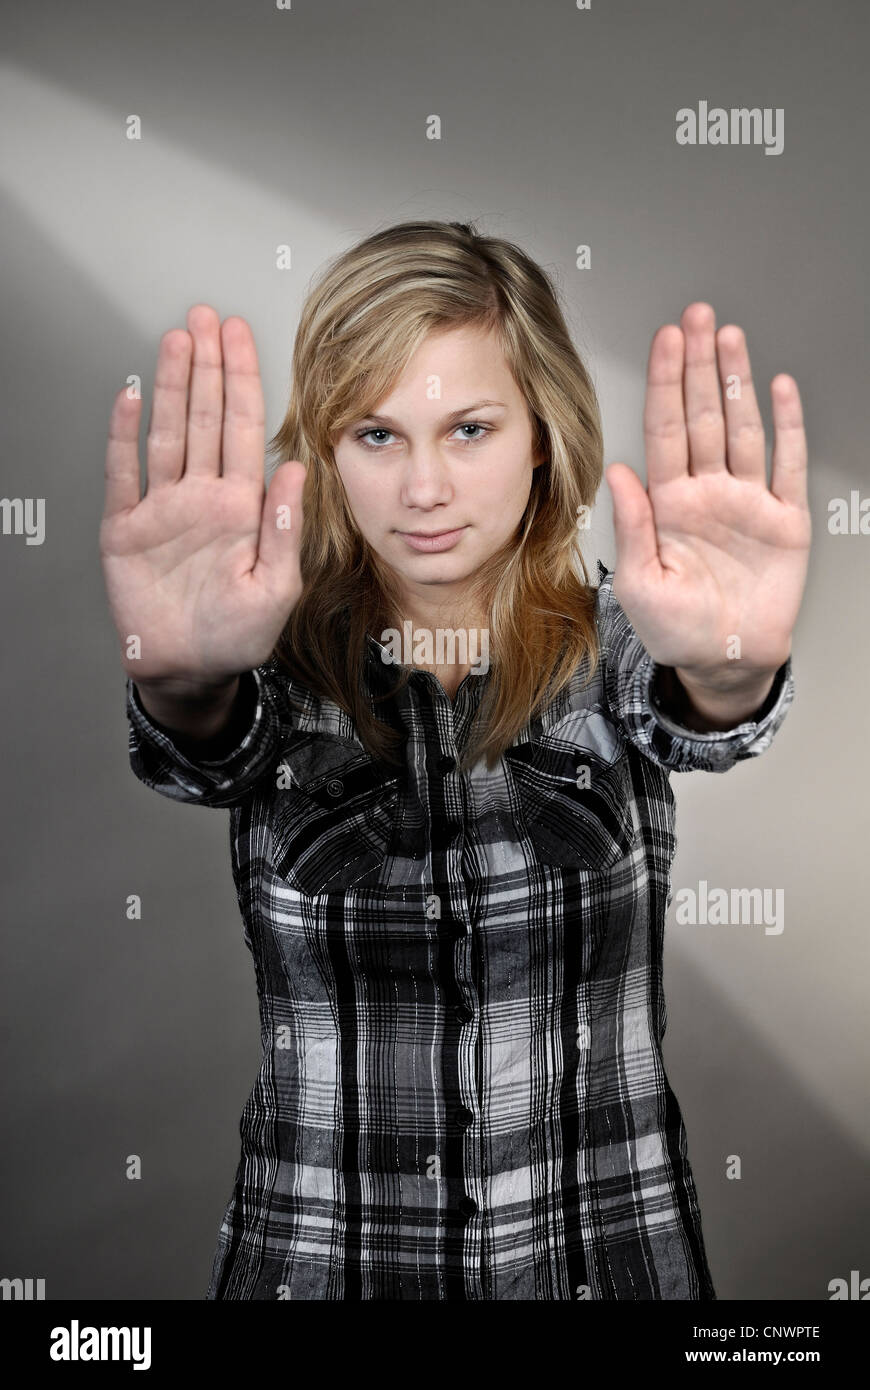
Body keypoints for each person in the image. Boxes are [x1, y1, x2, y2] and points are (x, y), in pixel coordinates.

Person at [99, 219, 810, 1299]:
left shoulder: (628, 639)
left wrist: (729, 664)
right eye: (376, 435)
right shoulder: (268, 657)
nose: (424, 488)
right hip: (322, 1265)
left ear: (539, 431)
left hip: (605, 1266)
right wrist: (182, 680)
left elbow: (701, 717)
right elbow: (205, 744)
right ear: (329, 450)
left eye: (468, 428)